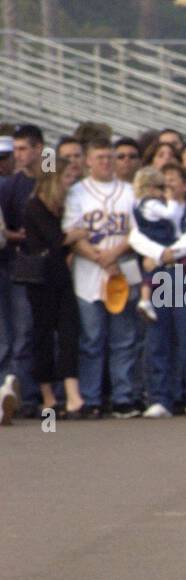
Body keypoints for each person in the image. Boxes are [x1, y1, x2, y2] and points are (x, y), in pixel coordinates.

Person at [63, 137, 139, 419]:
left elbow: (137, 230)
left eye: (111, 157)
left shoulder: (130, 191)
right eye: (101, 157)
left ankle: (123, 397)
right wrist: (98, 257)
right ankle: (92, 397)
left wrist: (114, 254)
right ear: (88, 161)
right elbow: (70, 232)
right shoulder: (76, 193)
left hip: (123, 268)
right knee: (91, 340)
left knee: (124, 339)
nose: (107, 162)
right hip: (88, 272)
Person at [129, 163, 186, 418]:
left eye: (174, 180)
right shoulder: (148, 209)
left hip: (184, 278)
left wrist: (164, 255)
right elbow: (135, 237)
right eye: (165, 182)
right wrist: (156, 254)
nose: (169, 186)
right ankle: (160, 398)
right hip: (158, 278)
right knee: (157, 340)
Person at [22, 158, 86, 417]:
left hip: (61, 277)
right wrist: (77, 235)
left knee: (70, 334)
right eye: (65, 178)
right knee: (44, 336)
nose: (69, 183)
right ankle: (47, 396)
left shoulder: (62, 207)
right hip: (41, 280)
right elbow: (55, 239)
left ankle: (73, 395)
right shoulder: (35, 206)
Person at [0, 123, 44, 418]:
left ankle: (25, 393)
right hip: (12, 265)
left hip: (37, 267)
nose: (16, 156)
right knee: (11, 334)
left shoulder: (47, 182)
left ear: (39, 148)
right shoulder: (9, 186)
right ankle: (10, 389)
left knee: (27, 333)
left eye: (21, 149)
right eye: (13, 151)